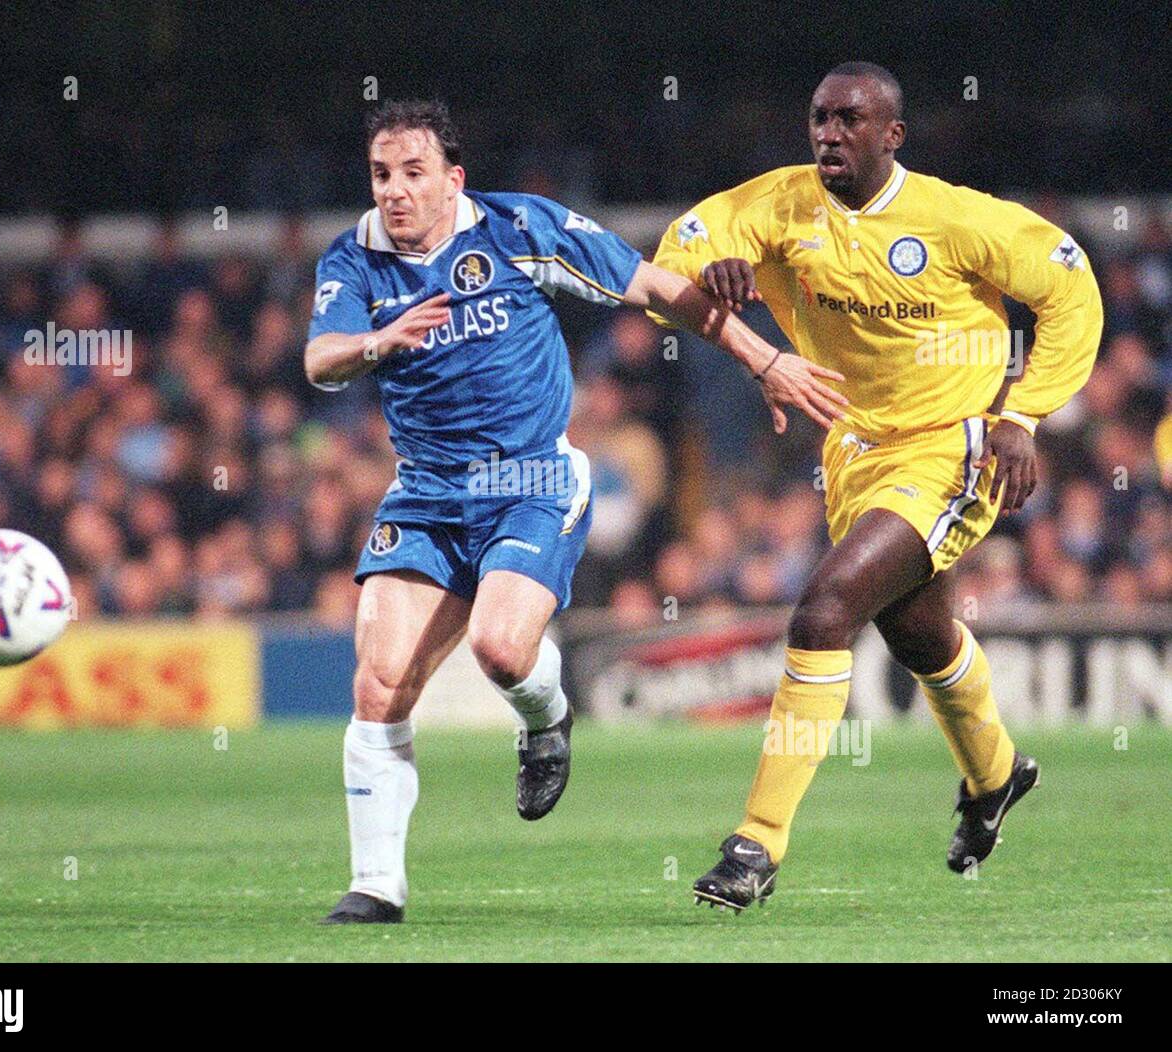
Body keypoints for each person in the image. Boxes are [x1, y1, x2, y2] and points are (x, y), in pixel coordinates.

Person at [306, 98, 845, 924]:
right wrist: (381, 341)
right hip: (426, 491)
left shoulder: (522, 229)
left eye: (414, 173)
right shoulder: (356, 260)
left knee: (497, 647)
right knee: (379, 685)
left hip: (532, 482)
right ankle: (377, 886)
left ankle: (547, 717)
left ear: (454, 180)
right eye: (382, 175)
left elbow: (661, 287)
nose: (395, 192)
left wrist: (763, 357)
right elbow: (320, 361)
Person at [652, 62, 1103, 912]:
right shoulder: (782, 203)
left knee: (824, 610)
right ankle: (997, 774)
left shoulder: (955, 217)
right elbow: (674, 258)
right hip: (855, 451)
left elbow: (1072, 291)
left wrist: (1026, 414)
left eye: (852, 119)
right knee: (918, 631)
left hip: (954, 448)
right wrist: (713, 276)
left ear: (892, 134)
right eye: (820, 117)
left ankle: (757, 844)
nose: (830, 133)